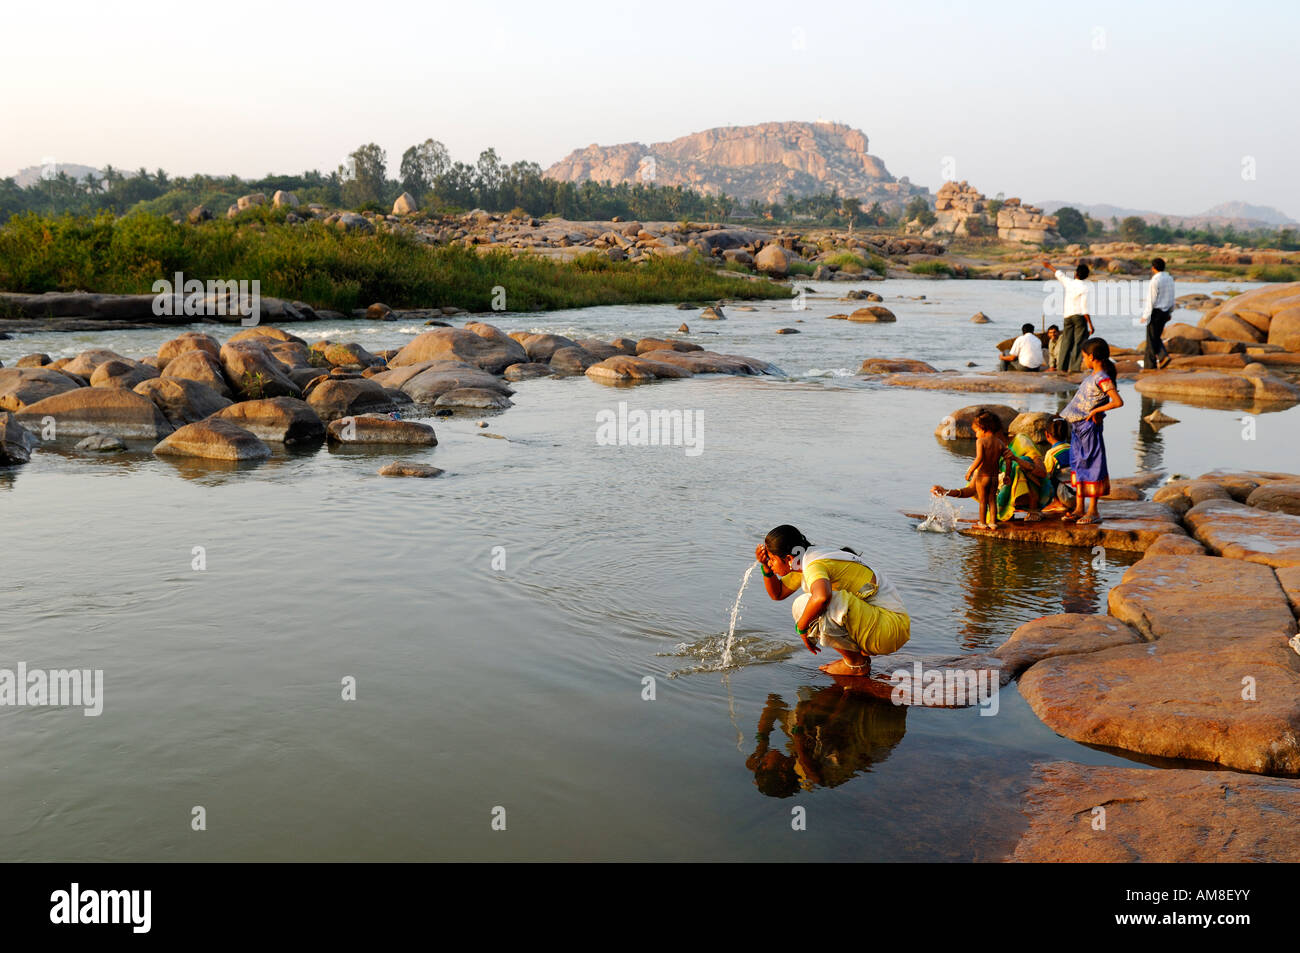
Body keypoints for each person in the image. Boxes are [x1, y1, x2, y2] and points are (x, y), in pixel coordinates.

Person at [755, 525, 911, 677]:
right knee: (813, 604)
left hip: (888, 629)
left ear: (788, 558)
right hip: (889, 627)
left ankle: (855, 664)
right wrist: (766, 569)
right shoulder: (809, 559)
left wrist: (801, 627)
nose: (770, 563)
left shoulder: (813, 565)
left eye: (772, 560)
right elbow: (778, 594)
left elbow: (822, 597)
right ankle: (858, 655)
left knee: (804, 605)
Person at [1060, 338, 1124, 524]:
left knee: (1091, 465)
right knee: (1078, 464)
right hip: (1078, 426)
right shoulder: (1092, 376)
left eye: (1084, 356)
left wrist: (1097, 411)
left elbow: (1117, 401)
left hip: (1089, 428)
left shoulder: (1102, 377)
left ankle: (1093, 511)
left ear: (1092, 357)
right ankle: (1079, 508)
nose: (1083, 360)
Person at [930, 410, 1006, 528]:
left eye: (976, 431)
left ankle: (982, 523)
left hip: (984, 476)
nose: (975, 435)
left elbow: (980, 458)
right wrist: (946, 491)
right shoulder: (1001, 444)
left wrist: (970, 471)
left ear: (983, 428)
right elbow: (970, 490)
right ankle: (993, 523)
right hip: (994, 477)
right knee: (992, 500)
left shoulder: (981, 442)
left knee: (983, 501)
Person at [1043, 260, 1093, 372]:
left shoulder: (1069, 282)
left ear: (1076, 274)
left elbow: (1059, 274)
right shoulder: (1085, 287)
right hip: (1079, 317)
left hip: (1067, 316)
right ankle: (1075, 368)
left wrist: (1049, 266)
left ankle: (1062, 368)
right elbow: (1084, 308)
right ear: (1086, 276)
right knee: (1078, 343)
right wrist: (1090, 324)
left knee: (1066, 342)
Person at [995, 421, 1049, 522]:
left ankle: (1034, 509)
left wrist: (1016, 459)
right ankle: (1004, 509)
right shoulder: (994, 447)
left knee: (1018, 464)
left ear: (998, 432)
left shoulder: (1021, 440)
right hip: (1009, 490)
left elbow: (1042, 472)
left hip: (1039, 489)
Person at [1141, 257, 1175, 369]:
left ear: (1153, 268)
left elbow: (1151, 299)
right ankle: (1161, 357)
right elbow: (1172, 296)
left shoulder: (1155, 280)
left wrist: (1145, 315)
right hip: (1165, 312)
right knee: (1155, 337)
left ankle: (1151, 365)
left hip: (1155, 312)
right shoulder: (1169, 278)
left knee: (1151, 339)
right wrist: (1170, 311)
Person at [1043, 417, 1076, 510]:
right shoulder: (1073, 448)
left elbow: (1045, 475)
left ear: (1047, 434)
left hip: (1065, 495)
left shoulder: (1051, 453)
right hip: (1079, 496)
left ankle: (1057, 503)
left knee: (1046, 475)